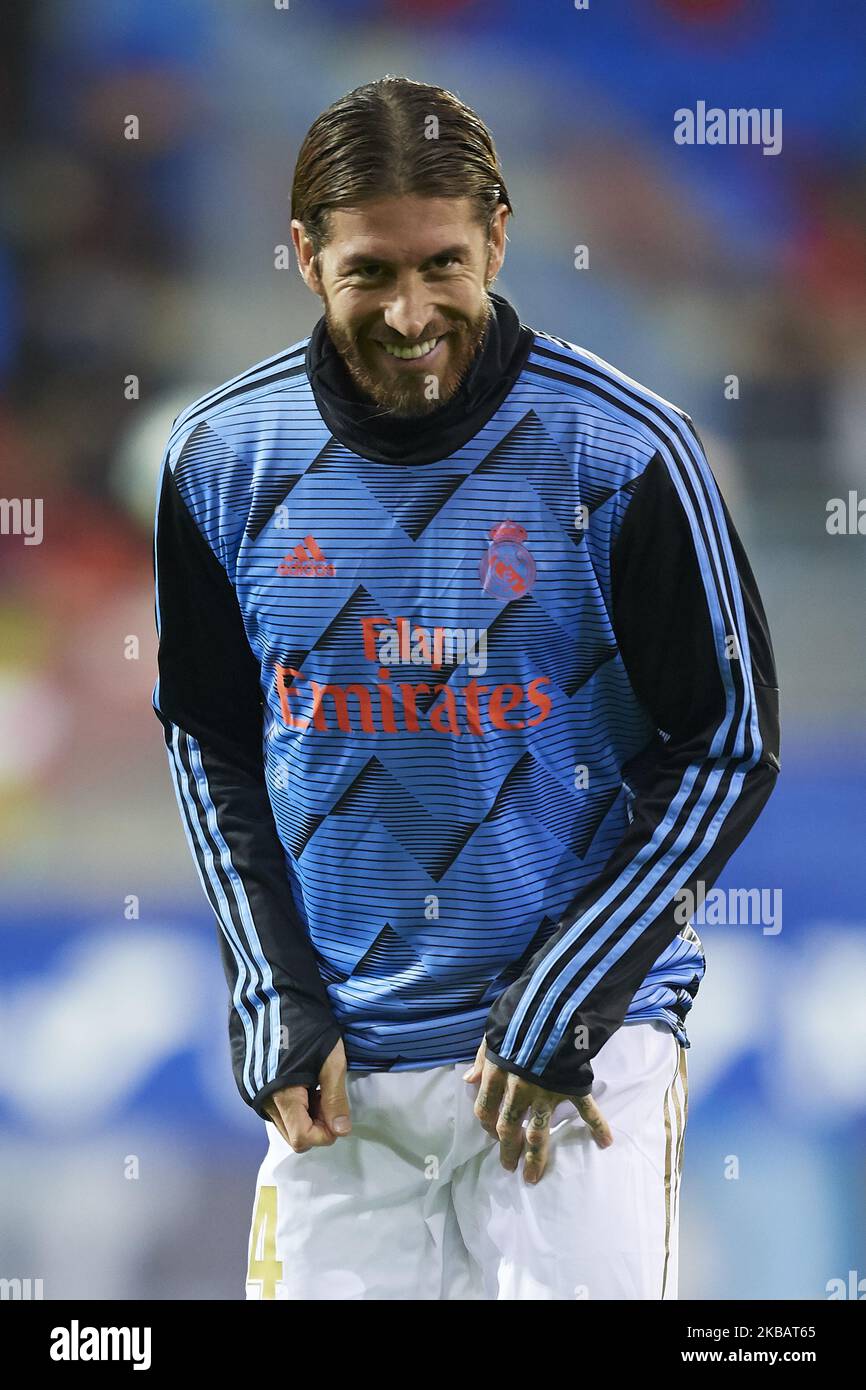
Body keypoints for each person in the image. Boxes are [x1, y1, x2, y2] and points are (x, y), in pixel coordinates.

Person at [152, 77, 780, 1301]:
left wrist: (572, 993)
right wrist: (272, 981)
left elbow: (727, 743)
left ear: (497, 232)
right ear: (302, 256)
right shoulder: (220, 458)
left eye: (442, 262)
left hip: (573, 1064)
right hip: (344, 1081)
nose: (409, 310)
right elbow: (207, 736)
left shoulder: (626, 453)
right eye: (367, 273)